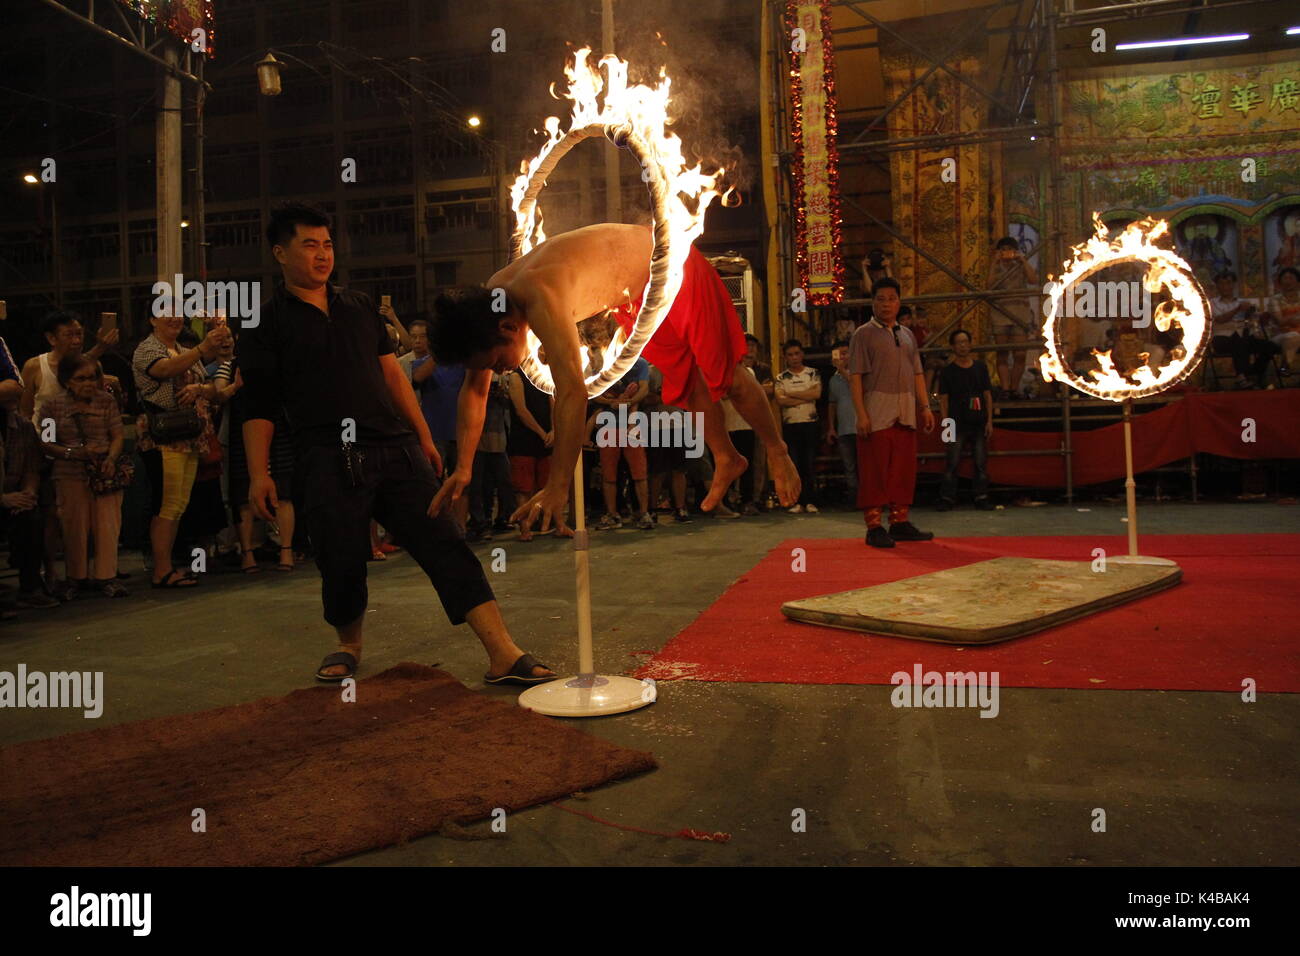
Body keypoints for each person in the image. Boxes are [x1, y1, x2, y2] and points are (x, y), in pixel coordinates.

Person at [237, 201, 554, 686]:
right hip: (325, 455)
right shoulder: (264, 323)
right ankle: (348, 645)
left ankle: (502, 653)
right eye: (309, 245)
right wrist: (259, 473)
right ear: (280, 253)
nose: (323, 255)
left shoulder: (360, 307)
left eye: (327, 244)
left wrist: (423, 438)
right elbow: (257, 405)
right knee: (340, 559)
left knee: (444, 543)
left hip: (395, 447)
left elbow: (394, 377)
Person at [427, 223, 800, 536]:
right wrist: (462, 466)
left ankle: (777, 450)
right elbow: (473, 391)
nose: (500, 371)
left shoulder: (537, 295)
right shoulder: (491, 305)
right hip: (631, 295)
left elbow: (572, 392)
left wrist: (557, 486)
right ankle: (726, 457)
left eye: (497, 362)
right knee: (686, 378)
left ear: (509, 328)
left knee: (727, 376)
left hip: (667, 263)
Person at [133, 310, 230, 589]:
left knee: (178, 505)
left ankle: (166, 568)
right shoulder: (147, 348)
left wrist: (200, 388)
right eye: (166, 314)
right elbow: (163, 370)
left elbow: (213, 388)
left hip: (189, 435)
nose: (174, 319)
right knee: (167, 504)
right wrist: (202, 348)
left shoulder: (182, 349)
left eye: (177, 314)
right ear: (151, 320)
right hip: (163, 437)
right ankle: (161, 570)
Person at [850, 278, 935, 548]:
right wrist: (861, 414)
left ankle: (899, 522)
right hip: (877, 410)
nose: (886, 304)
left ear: (899, 302)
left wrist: (925, 407)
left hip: (905, 409)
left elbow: (918, 373)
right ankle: (874, 526)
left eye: (891, 298)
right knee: (874, 469)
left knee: (903, 469)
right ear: (872, 303)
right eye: (881, 299)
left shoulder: (907, 334)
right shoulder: (863, 334)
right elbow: (855, 377)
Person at [35, 354, 128, 598]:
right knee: (74, 527)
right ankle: (76, 577)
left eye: (93, 377)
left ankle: (107, 576)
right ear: (67, 380)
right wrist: (71, 453)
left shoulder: (106, 402)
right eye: (81, 378)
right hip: (69, 473)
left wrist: (110, 459)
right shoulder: (52, 406)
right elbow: (45, 443)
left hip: (103, 473)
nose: (88, 383)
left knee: (107, 525)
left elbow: (117, 435)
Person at [591, 356, 653, 530]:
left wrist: (626, 402)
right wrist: (613, 402)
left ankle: (643, 513)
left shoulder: (638, 363)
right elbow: (594, 392)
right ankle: (612, 514)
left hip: (632, 425)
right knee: (609, 473)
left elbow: (644, 389)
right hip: (610, 424)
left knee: (639, 472)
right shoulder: (602, 362)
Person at [936, 329, 994, 511]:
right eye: (959, 342)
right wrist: (945, 423)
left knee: (980, 461)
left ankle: (981, 496)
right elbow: (943, 399)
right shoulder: (947, 372)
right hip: (955, 421)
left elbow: (987, 395)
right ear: (953, 347)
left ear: (970, 344)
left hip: (978, 420)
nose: (962, 345)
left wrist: (989, 420)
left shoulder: (980, 367)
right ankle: (947, 498)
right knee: (951, 461)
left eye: (965, 341)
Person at [505, 365, 553, 541]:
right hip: (523, 439)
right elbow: (521, 410)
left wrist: (554, 429)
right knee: (523, 487)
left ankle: (545, 523)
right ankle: (525, 527)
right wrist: (542, 432)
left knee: (546, 485)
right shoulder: (517, 376)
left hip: (546, 439)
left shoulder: (544, 373)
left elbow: (553, 402)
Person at [986, 237, 1037, 400]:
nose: (1006, 252)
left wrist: (1022, 260)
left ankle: (1015, 389)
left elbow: (1033, 280)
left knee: (1020, 354)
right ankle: (1005, 389)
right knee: (1002, 353)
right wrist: (995, 262)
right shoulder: (996, 267)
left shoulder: (1020, 266)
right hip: (1000, 315)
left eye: (1010, 249)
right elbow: (989, 286)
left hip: (1020, 314)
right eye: (1003, 249)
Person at [774, 339, 821, 514]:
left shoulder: (813, 373)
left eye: (797, 353)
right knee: (793, 464)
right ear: (785, 357)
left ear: (802, 354)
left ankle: (810, 501)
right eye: (790, 355)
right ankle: (796, 502)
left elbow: (816, 394)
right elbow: (780, 400)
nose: (794, 357)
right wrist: (805, 396)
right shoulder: (780, 377)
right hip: (791, 425)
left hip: (810, 424)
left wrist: (791, 394)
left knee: (809, 463)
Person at [1208, 271, 1276, 388]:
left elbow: (1253, 321)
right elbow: (1220, 319)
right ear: (1217, 286)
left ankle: (1253, 372)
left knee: (1269, 346)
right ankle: (1241, 377)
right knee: (1238, 340)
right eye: (1221, 283)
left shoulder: (1242, 302)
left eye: (1228, 283)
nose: (1225, 287)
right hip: (1221, 338)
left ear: (1234, 285)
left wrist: (1256, 315)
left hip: (1243, 337)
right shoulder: (1212, 303)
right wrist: (1238, 309)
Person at [825, 340, 858, 504]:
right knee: (849, 467)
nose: (843, 357)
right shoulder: (833, 380)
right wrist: (831, 427)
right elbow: (832, 404)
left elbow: (858, 386)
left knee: (867, 466)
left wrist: (842, 370)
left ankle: (871, 499)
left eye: (845, 353)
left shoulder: (860, 373)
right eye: (839, 354)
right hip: (844, 429)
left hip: (861, 426)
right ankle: (854, 499)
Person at [1264, 267, 1300, 372]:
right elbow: (1280, 321)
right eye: (1285, 278)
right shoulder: (1274, 300)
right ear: (1280, 282)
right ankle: (1285, 366)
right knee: (1293, 336)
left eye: (1291, 278)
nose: (1288, 281)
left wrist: (1290, 318)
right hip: (1280, 336)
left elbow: (1288, 320)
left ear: (1298, 282)